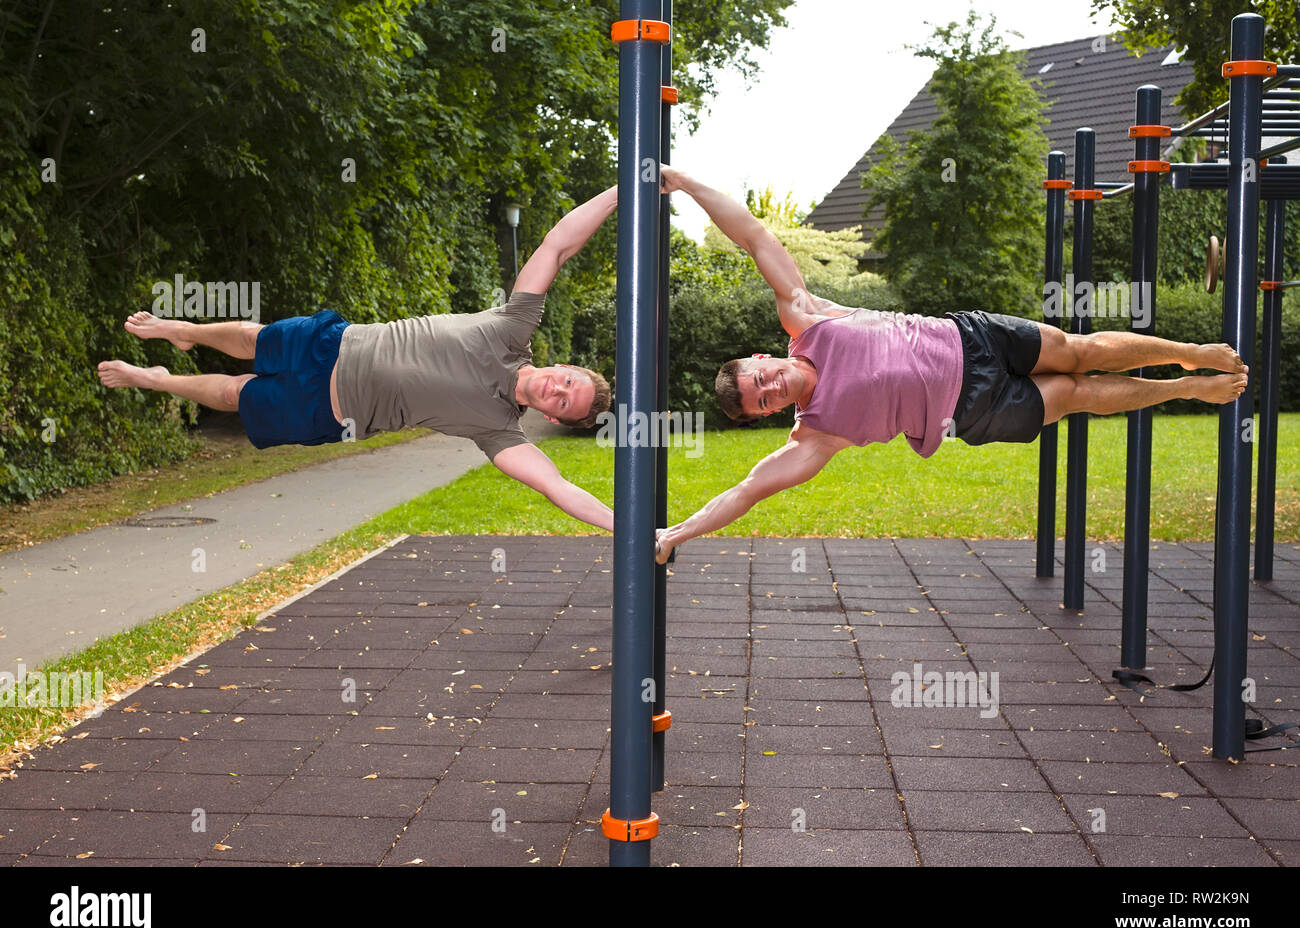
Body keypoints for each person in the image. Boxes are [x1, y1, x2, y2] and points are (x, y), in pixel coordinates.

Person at [653, 166, 1249, 561]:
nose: (769, 387)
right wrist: (674, 534)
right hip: (974, 412)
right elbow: (747, 491)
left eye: (760, 376)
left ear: (763, 357)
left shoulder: (807, 319)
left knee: (1078, 352)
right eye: (764, 399)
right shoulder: (815, 436)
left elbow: (756, 237)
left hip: (973, 339)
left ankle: (1188, 353)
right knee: (1077, 394)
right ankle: (1185, 389)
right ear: (770, 411)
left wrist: (684, 183)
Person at [97, 187, 620, 531]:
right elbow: (556, 246)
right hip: (335, 343)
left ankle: (158, 380)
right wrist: (623, 190)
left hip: (327, 410)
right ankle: (184, 332)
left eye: (565, 402)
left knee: (237, 394)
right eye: (568, 380)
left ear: (553, 418)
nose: (558, 388)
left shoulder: (500, 431)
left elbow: (557, 486)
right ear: (563, 365)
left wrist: (629, 529)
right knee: (251, 338)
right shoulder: (513, 328)